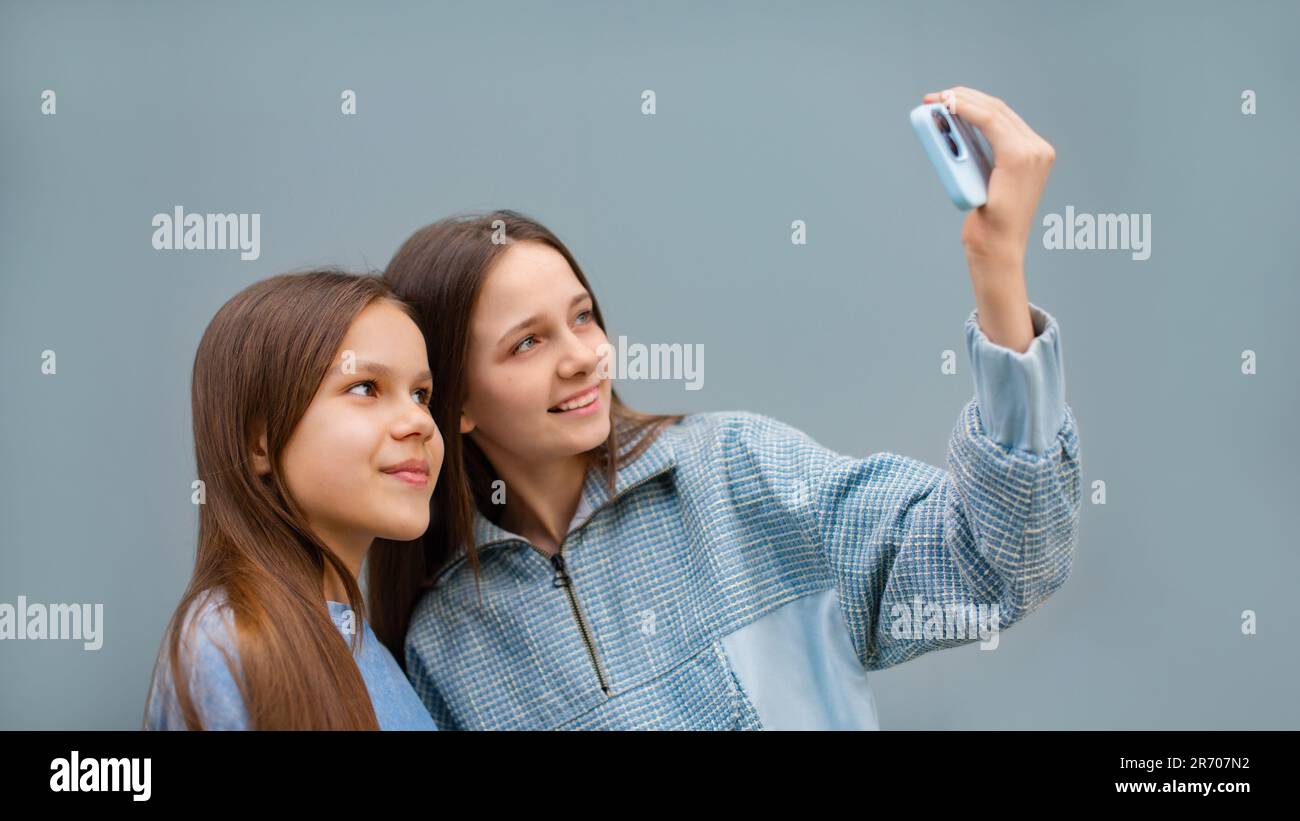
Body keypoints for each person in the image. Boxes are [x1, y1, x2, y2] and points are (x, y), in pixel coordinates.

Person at [371, 86, 1080, 729]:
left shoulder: (734, 471)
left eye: (583, 317)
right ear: (455, 402)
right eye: (527, 343)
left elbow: (995, 567)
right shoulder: (446, 644)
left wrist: (997, 264)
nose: (582, 356)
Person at [144, 271, 441, 730]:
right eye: (364, 387)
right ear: (259, 442)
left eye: (421, 395)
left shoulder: (373, 653)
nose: (419, 422)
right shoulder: (226, 644)